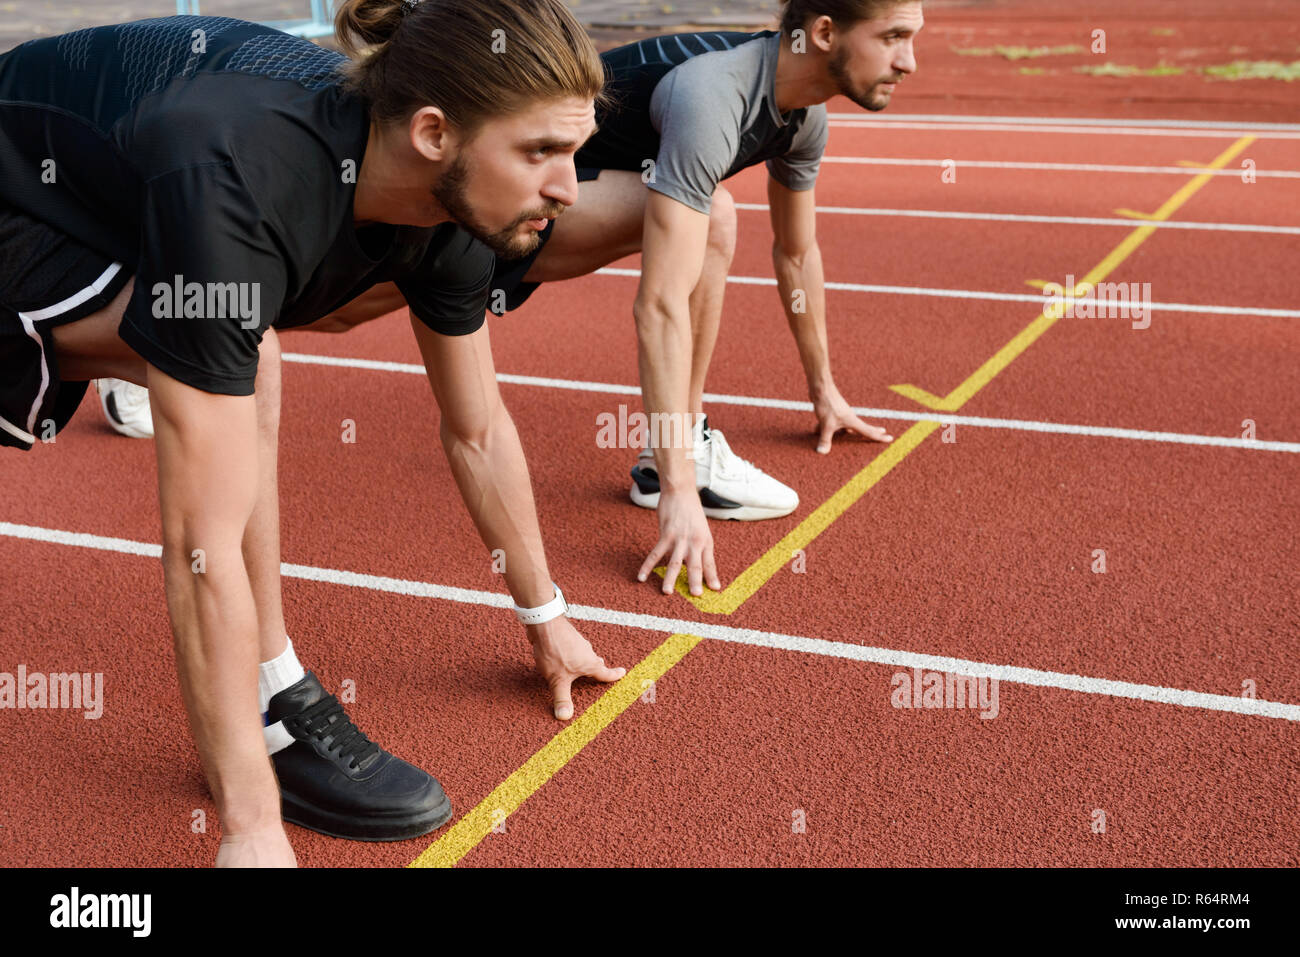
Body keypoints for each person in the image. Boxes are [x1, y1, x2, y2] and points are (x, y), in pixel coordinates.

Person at [0, 0, 624, 867]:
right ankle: (270, 700)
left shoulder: (453, 215)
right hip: (21, 190)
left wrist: (545, 613)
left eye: (576, 152)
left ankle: (271, 686)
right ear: (434, 132)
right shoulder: (241, 172)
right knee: (246, 354)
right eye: (540, 152)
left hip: (135, 184)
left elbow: (477, 429)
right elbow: (199, 543)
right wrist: (252, 833)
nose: (567, 187)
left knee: (240, 340)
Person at [258, 0, 923, 598]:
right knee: (334, 303)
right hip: (519, 189)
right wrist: (681, 490)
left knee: (355, 299)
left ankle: (205, 331)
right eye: (894, 36)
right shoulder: (712, 96)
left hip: (562, 201)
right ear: (826, 31)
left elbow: (797, 253)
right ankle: (193, 335)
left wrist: (824, 387)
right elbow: (659, 305)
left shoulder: (801, 120)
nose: (909, 60)